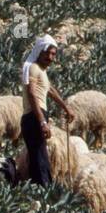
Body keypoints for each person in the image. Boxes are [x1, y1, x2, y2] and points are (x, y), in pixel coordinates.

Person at [20, 35, 72, 186]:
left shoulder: (41, 71)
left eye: (53, 54)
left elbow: (50, 90)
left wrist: (66, 108)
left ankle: (39, 189)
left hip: (36, 116)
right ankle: (44, 189)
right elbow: (31, 93)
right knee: (40, 157)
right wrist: (42, 121)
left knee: (39, 155)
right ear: (39, 52)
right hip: (34, 116)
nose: (50, 57)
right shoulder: (33, 68)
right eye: (47, 53)